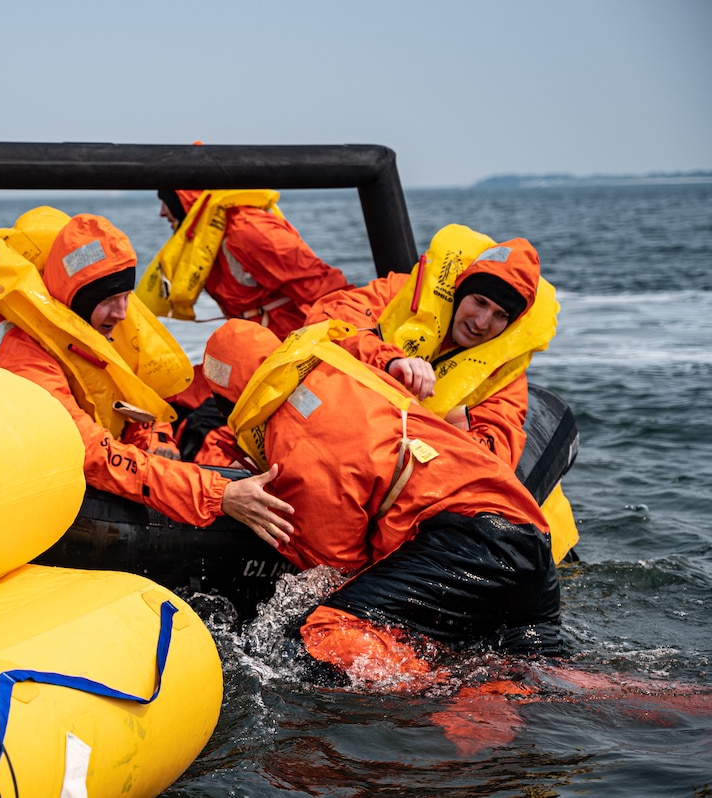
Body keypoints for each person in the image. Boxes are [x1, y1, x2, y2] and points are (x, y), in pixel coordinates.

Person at [202, 319, 562, 682]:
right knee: (546, 672)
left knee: (322, 636)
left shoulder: (293, 435)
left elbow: (336, 564)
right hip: (526, 537)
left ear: (229, 400)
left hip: (468, 541)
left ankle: (441, 697)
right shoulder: (344, 372)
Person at [0, 209, 295, 541]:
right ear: (79, 297)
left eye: (126, 297)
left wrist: (154, 435)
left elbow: (142, 389)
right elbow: (89, 454)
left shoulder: (83, 314)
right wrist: (219, 495)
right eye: (111, 300)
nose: (122, 313)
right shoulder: (22, 357)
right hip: (20, 493)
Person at [306, 225, 578, 561]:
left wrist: (448, 429)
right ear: (460, 292)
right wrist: (388, 360)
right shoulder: (398, 294)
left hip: (536, 543)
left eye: (500, 315)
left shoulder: (505, 380)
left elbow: (494, 460)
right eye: (479, 301)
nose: (481, 322)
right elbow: (327, 318)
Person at [137, 188, 353, 465]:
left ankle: (222, 489)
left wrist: (344, 356)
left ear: (188, 198)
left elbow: (331, 291)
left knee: (205, 429)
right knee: (171, 398)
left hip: (282, 360)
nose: (162, 212)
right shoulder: (212, 234)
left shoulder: (250, 232)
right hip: (247, 357)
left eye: (167, 202)